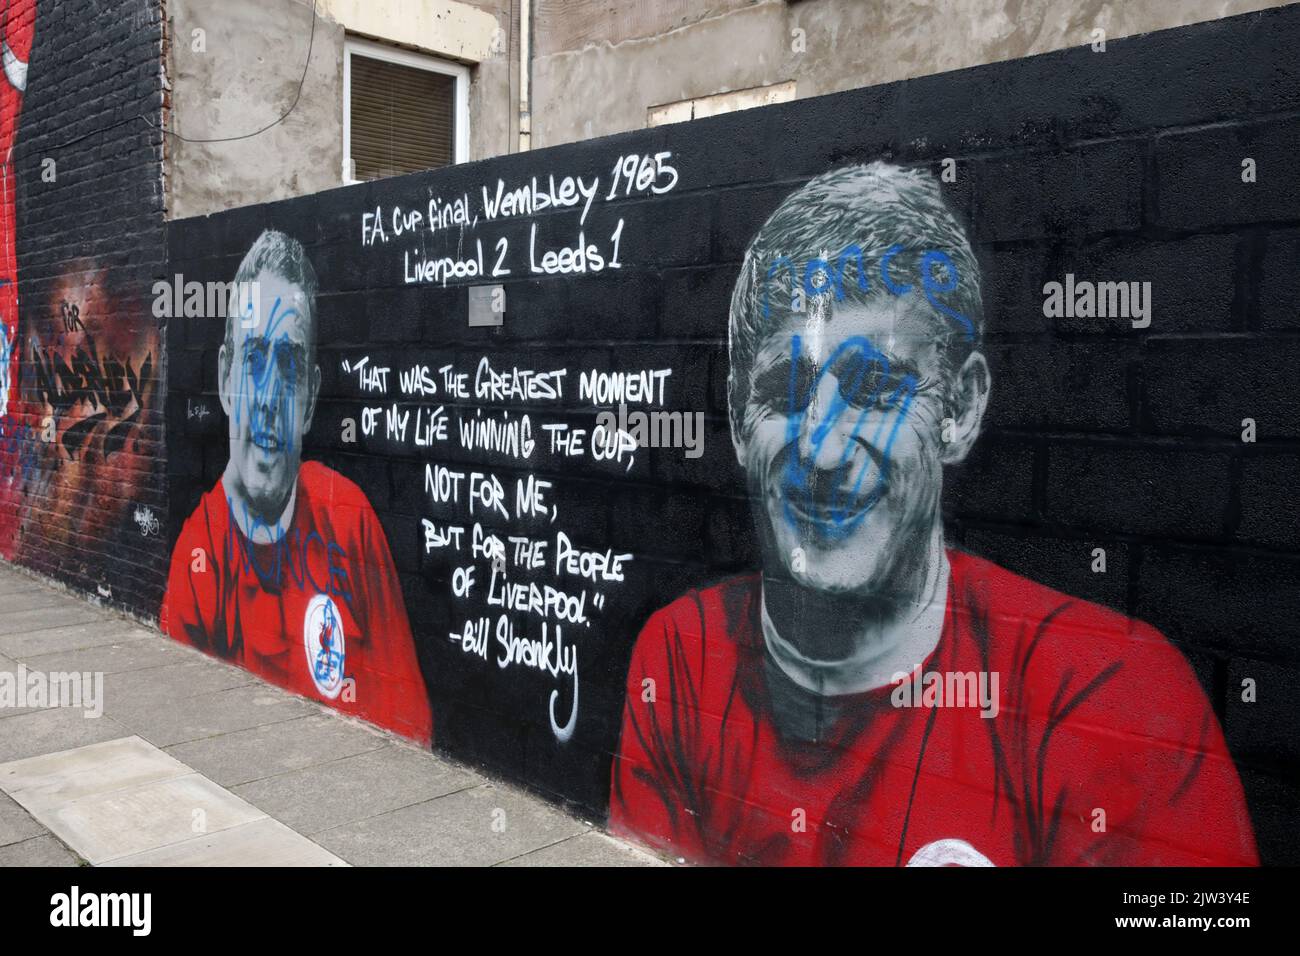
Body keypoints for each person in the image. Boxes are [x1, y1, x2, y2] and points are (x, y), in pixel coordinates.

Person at [609, 162, 1257, 866]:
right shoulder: (680, 658)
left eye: (875, 389)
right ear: (737, 419)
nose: (822, 451)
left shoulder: (1115, 700)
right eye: (784, 393)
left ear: (961, 408)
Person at [161, 229, 432, 744]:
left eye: (287, 366)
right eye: (255, 358)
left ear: (309, 399)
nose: (266, 399)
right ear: (224, 376)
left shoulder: (350, 520)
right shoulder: (199, 566)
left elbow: (413, 725)